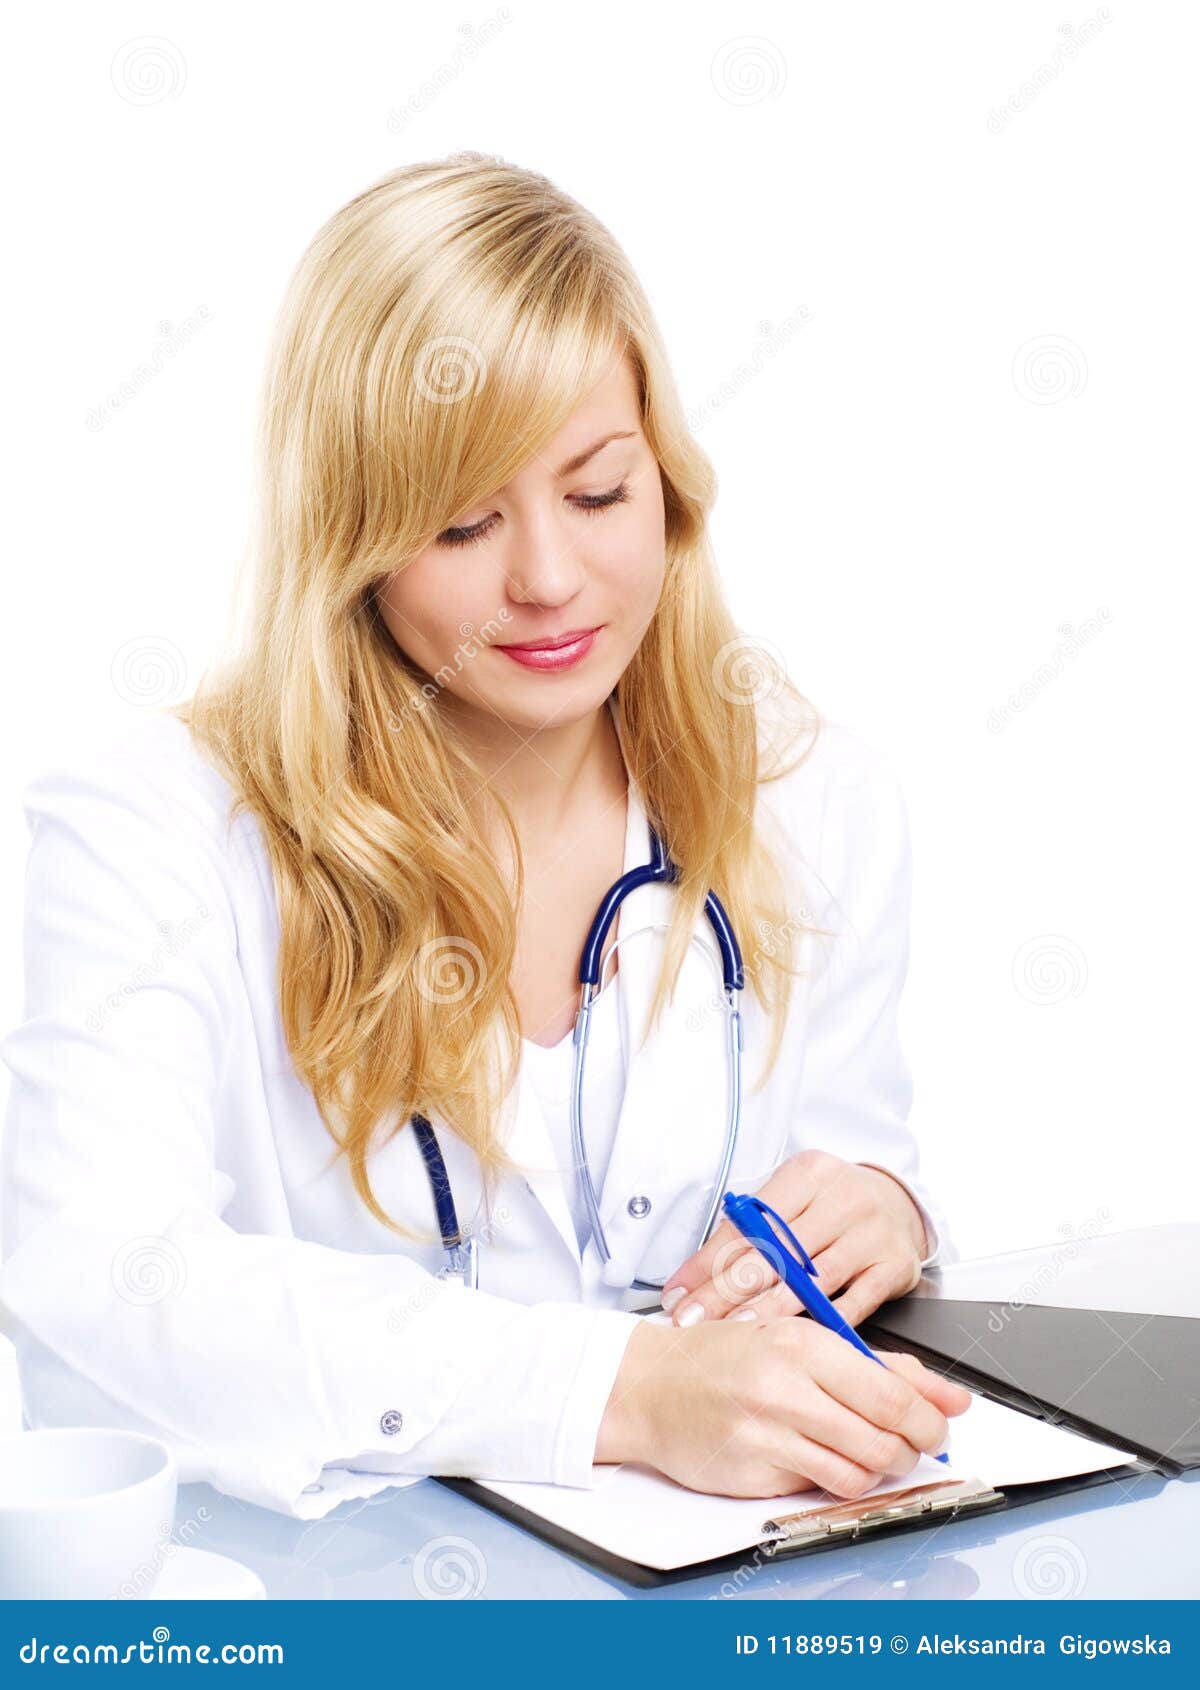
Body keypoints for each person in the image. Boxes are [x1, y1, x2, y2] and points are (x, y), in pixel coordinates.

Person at [0, 153, 969, 1520]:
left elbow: (851, 1145)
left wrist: (884, 1206)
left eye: (598, 493)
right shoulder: (148, 832)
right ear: (349, 537)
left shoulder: (812, 797)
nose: (549, 579)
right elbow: (106, 1270)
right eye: (463, 522)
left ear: (668, 483)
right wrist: (621, 1391)